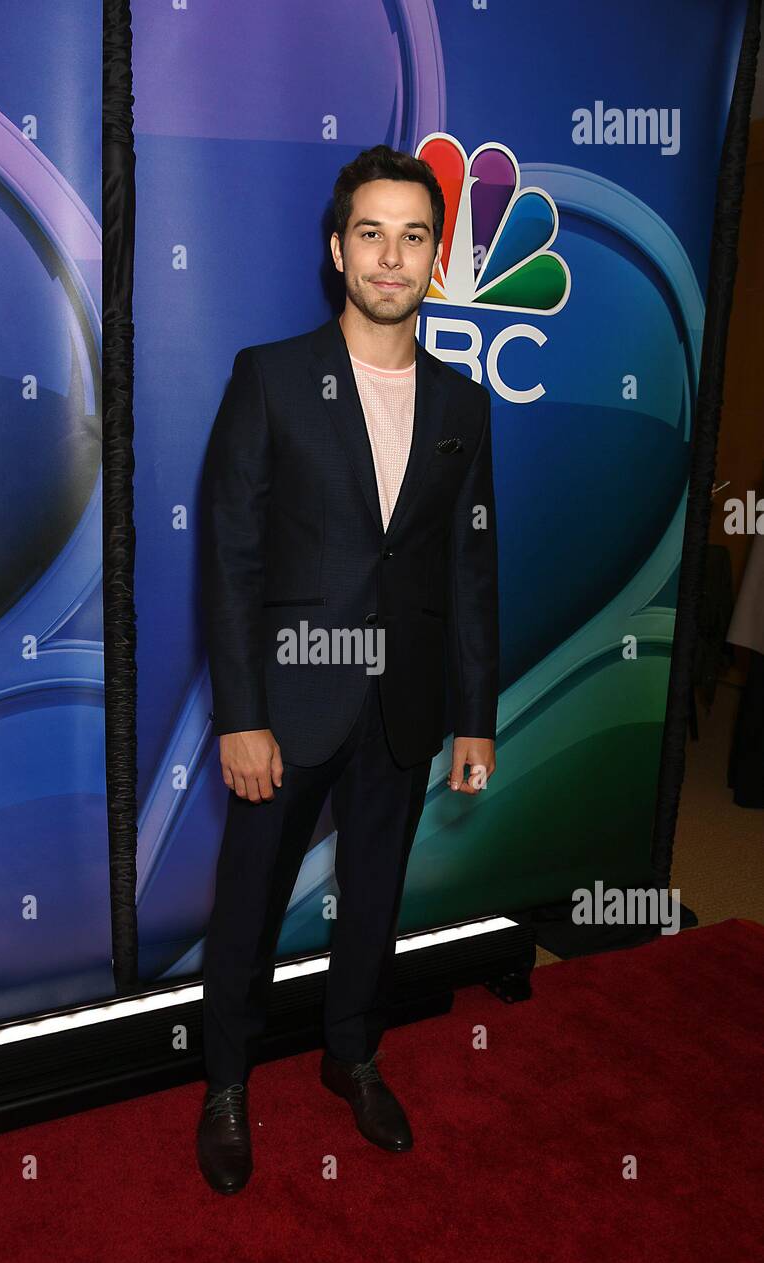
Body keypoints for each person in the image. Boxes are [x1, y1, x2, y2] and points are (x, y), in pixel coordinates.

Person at [197, 144, 499, 1193]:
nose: (390, 254)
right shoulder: (270, 376)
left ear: (435, 259)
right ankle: (226, 1082)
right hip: (287, 700)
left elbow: (467, 565)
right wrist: (240, 712)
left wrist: (475, 716)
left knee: (373, 900)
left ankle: (350, 1055)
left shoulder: (462, 407)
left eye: (413, 235)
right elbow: (229, 556)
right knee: (248, 904)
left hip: (403, 703)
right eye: (370, 232)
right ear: (337, 250)